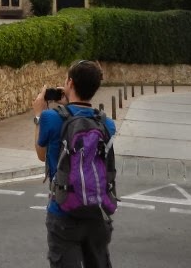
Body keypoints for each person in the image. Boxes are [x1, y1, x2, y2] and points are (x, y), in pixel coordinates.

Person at [32, 59, 116, 268]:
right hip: (97, 212)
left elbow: (41, 154)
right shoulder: (107, 124)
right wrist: (70, 101)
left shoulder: (50, 118)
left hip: (63, 212)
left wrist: (38, 115)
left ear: (70, 83)